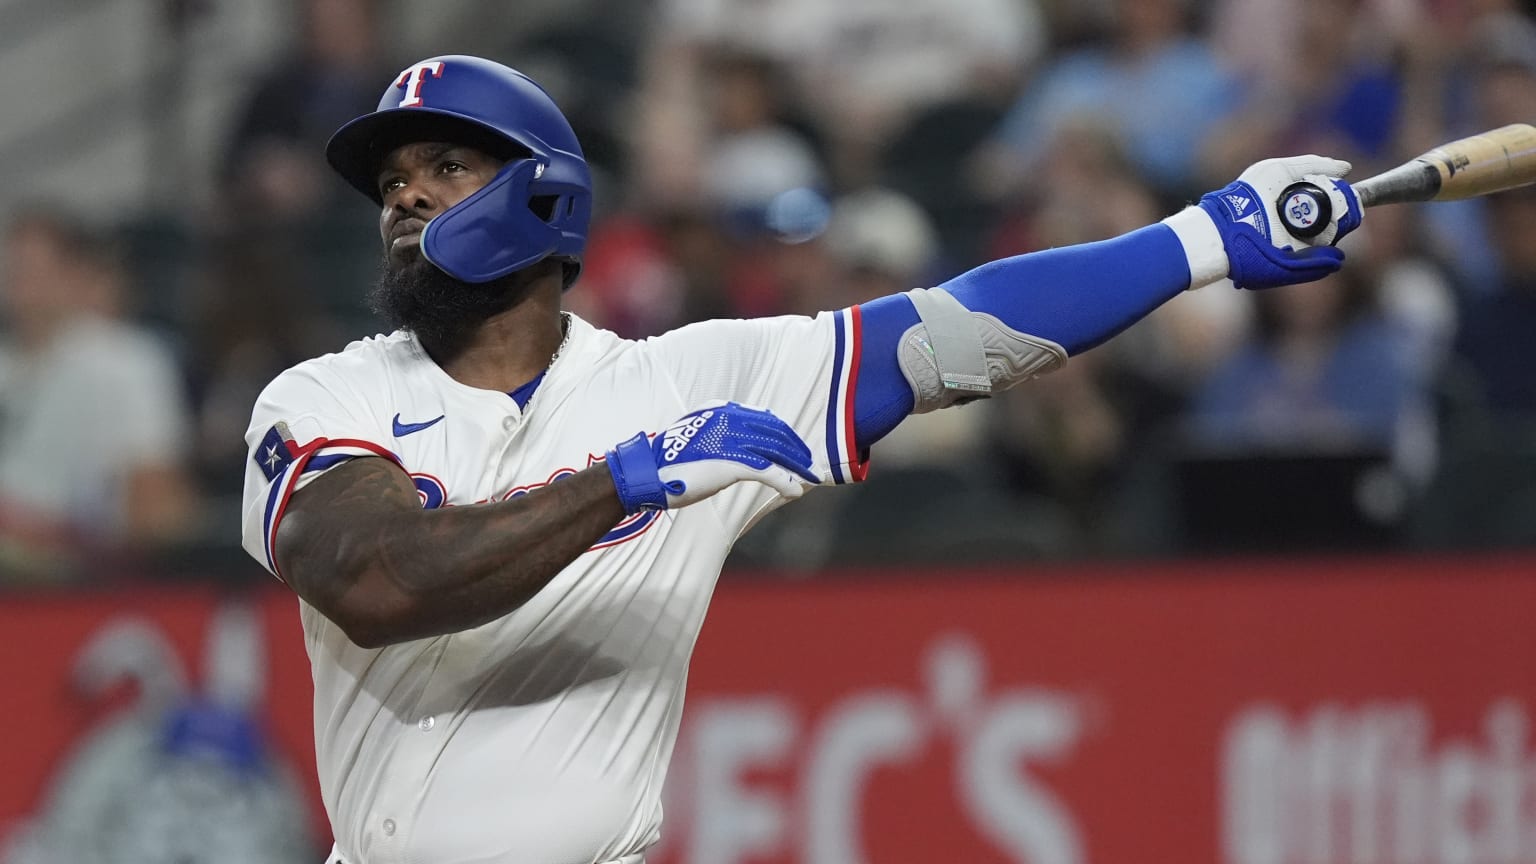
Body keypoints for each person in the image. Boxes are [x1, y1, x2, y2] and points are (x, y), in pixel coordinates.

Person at [239, 55, 1362, 864]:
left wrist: (1202, 240)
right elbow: (376, 582)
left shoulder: (687, 375)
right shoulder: (331, 394)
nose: (407, 197)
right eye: (391, 182)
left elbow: (953, 332)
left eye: (445, 165)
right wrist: (625, 481)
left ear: (542, 194)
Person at [0, 209, 200, 580]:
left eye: (33, 271)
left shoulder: (124, 361)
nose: (20, 286)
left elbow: (155, 490)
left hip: (82, 566)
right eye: (14, 271)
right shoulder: (7, 365)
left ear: (74, 273)